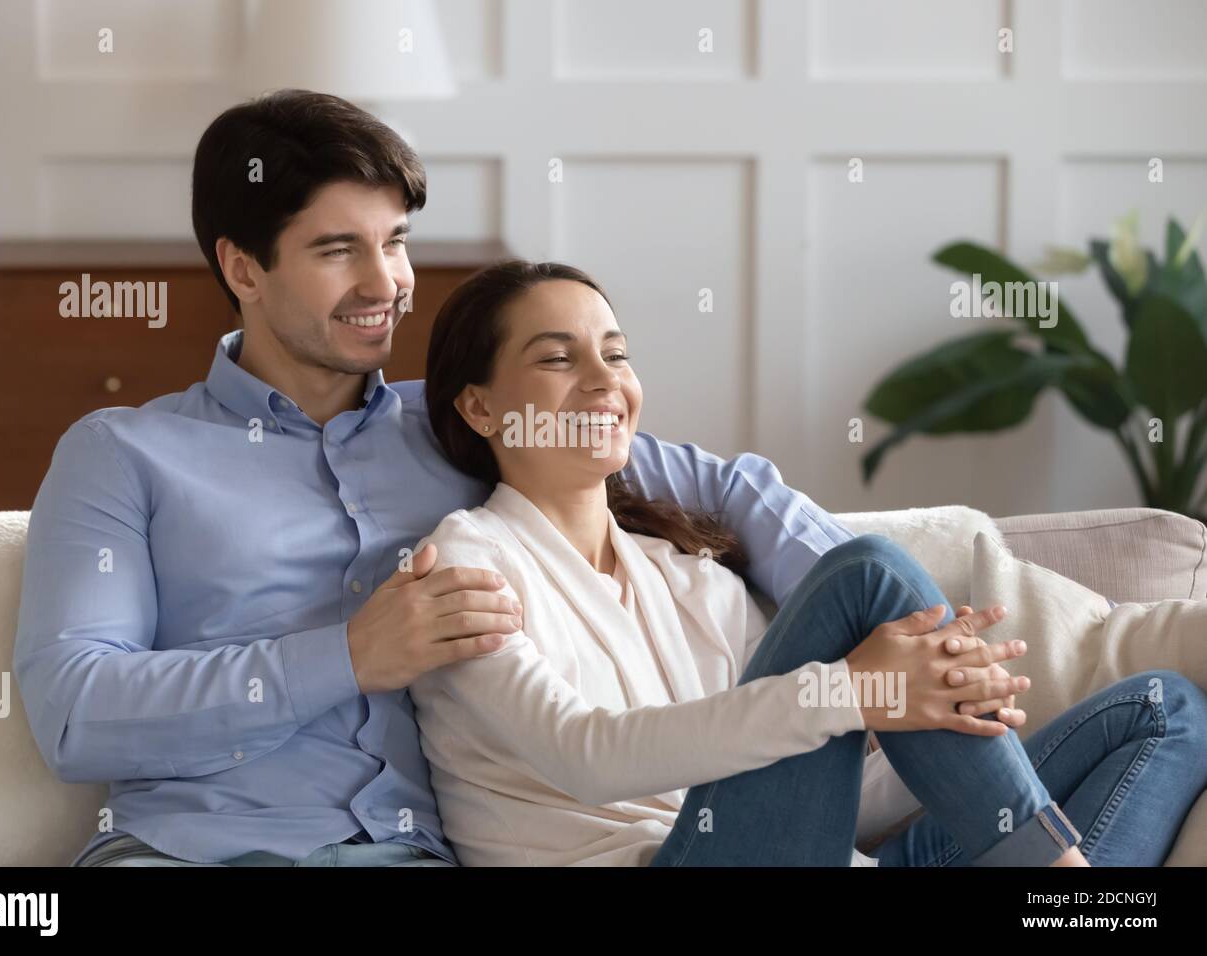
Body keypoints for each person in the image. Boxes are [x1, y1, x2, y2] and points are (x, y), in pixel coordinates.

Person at [13, 89, 1000, 868]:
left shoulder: (464, 420)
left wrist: (893, 638)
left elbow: (729, 489)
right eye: (336, 249)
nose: (385, 281)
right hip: (186, 852)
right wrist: (347, 654)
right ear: (242, 265)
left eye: (394, 242)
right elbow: (76, 712)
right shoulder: (122, 453)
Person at [408, 258, 1207, 866]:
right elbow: (584, 756)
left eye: (615, 355)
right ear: (478, 405)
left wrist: (925, 709)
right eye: (558, 360)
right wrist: (853, 691)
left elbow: (816, 777)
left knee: (1164, 709)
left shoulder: (688, 575)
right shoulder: (463, 567)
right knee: (867, 574)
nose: (603, 383)